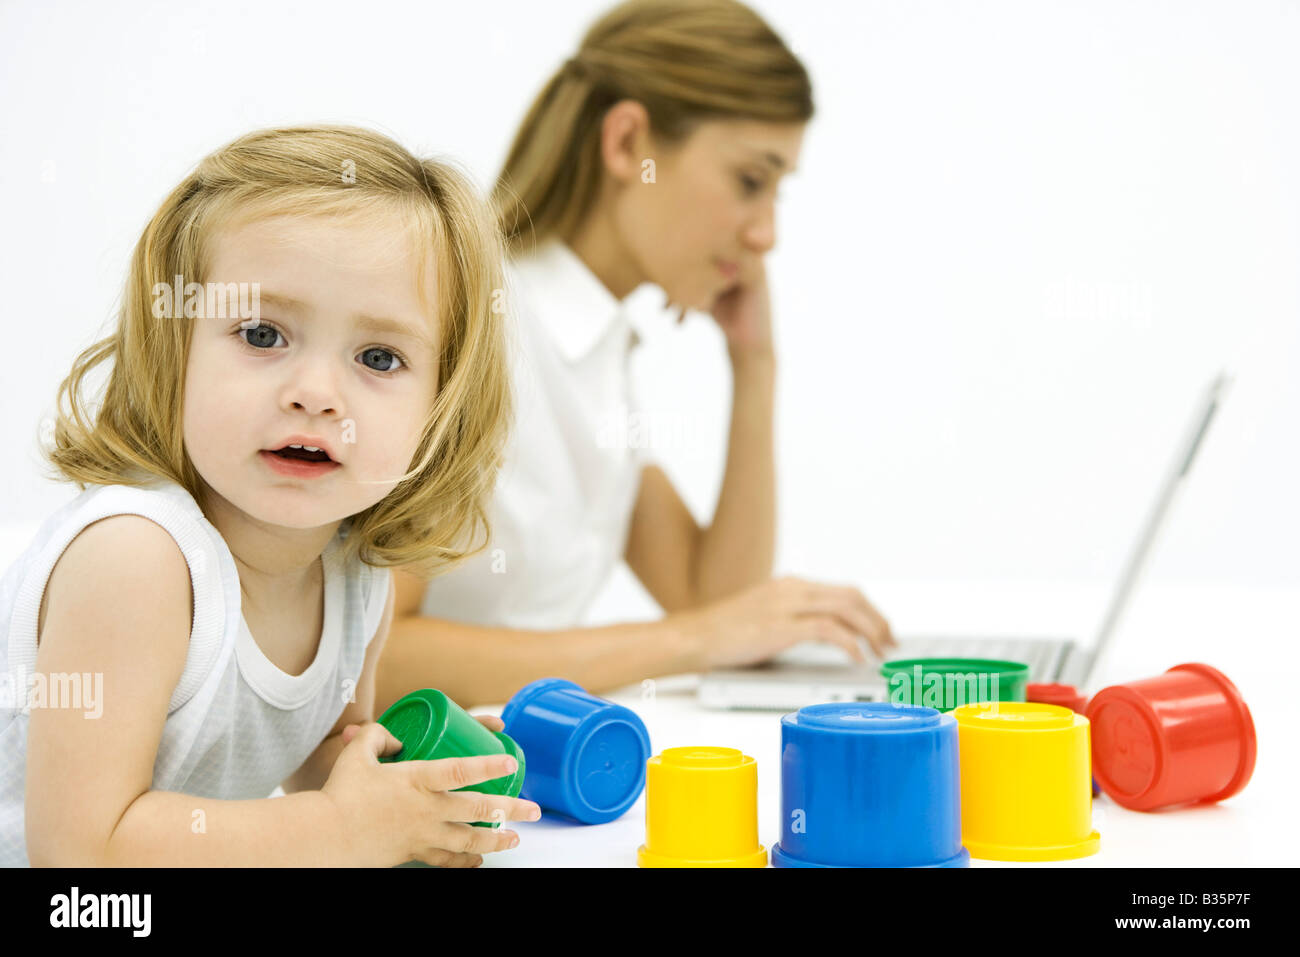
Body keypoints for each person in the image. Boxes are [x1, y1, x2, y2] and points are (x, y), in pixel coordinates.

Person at [0, 126, 541, 867]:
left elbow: (317, 754)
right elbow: (81, 852)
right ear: (175, 346)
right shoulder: (136, 561)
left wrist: (405, 782)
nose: (316, 395)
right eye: (262, 333)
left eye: (378, 356)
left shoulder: (359, 575)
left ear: (441, 402)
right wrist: (345, 832)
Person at [378, 0, 896, 711]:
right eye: (751, 180)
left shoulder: (595, 349)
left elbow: (717, 599)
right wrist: (689, 639)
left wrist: (755, 365)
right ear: (627, 145)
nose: (767, 234)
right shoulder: (477, 322)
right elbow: (378, 658)